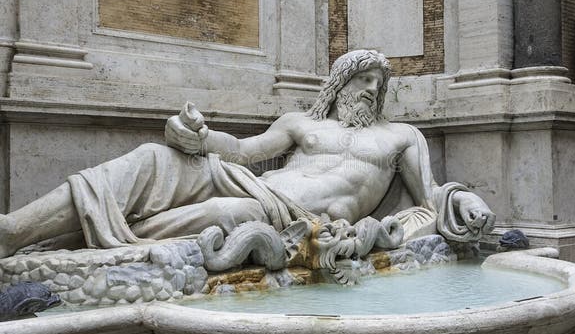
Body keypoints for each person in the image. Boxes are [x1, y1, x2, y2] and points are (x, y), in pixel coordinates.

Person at [0, 50, 495, 257]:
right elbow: (241, 151)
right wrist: (195, 137)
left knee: (228, 212)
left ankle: (100, 242)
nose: (369, 89)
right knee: (153, 157)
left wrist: (464, 203)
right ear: (341, 82)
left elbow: (429, 199)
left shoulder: (401, 136)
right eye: (361, 80)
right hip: (253, 184)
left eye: (377, 83)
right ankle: (13, 231)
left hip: (292, 218)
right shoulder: (301, 123)